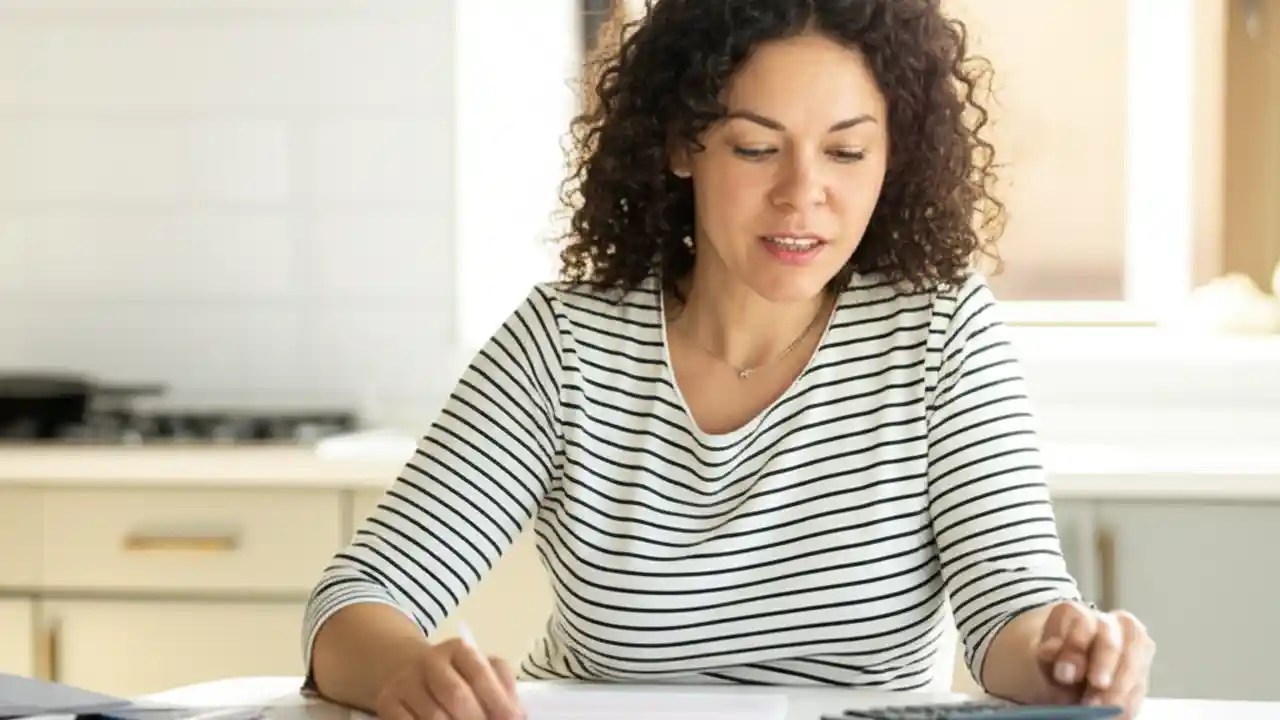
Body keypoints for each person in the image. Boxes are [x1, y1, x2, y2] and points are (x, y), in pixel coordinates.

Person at [301, 1, 1156, 719]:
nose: (802, 193)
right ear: (683, 146)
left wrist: (1069, 657)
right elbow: (355, 602)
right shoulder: (569, 343)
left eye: (847, 151)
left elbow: (1011, 614)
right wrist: (407, 674)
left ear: (895, 158)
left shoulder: (937, 332)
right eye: (755, 147)